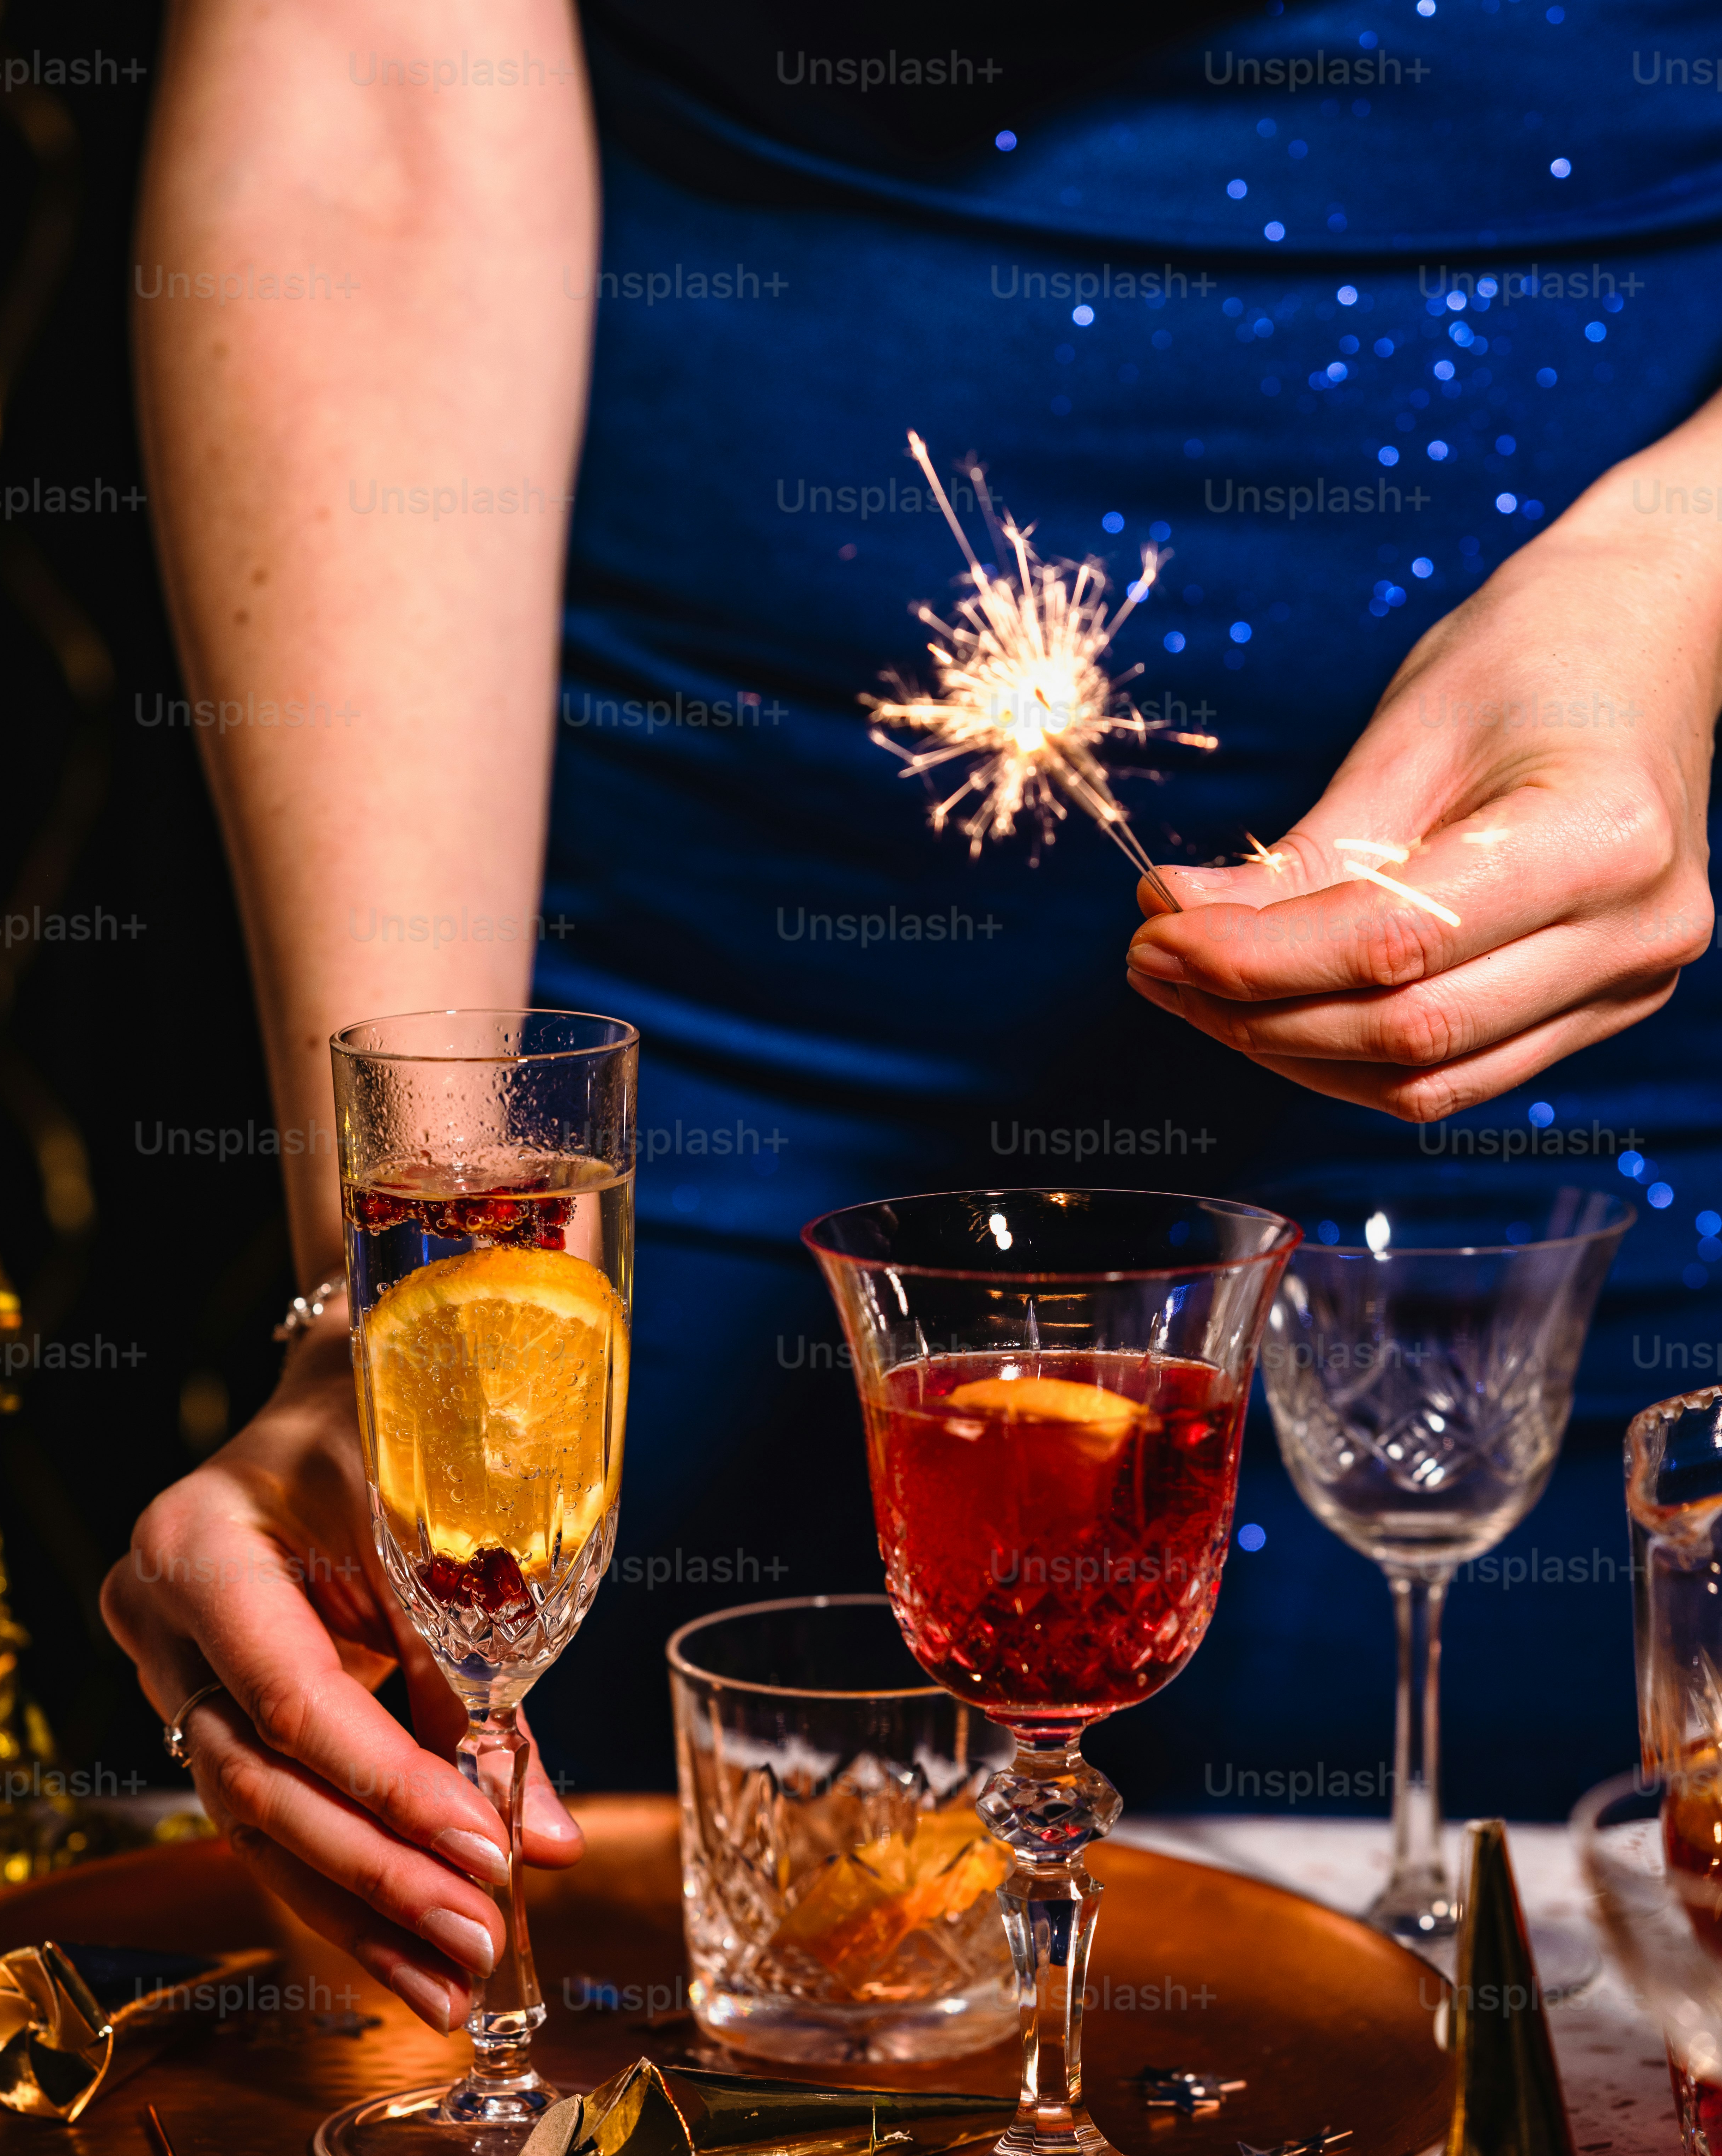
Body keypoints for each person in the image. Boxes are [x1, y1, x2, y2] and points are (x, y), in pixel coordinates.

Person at [105, 0, 1722, 2034]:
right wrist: (408, 1306)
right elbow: (380, 83)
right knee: (705, 2102)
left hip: (1598, 1102)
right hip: (697, 1083)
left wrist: (1685, 581)